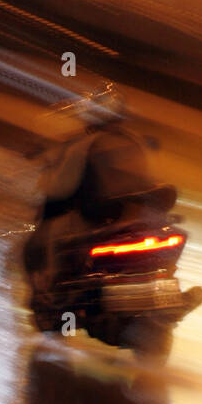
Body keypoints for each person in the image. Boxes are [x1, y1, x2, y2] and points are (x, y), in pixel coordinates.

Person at [23, 86, 177, 322]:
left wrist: (47, 183)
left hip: (97, 216)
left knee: (41, 240)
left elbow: (60, 187)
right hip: (137, 216)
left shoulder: (83, 145)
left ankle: (48, 296)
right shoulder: (136, 142)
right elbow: (154, 178)